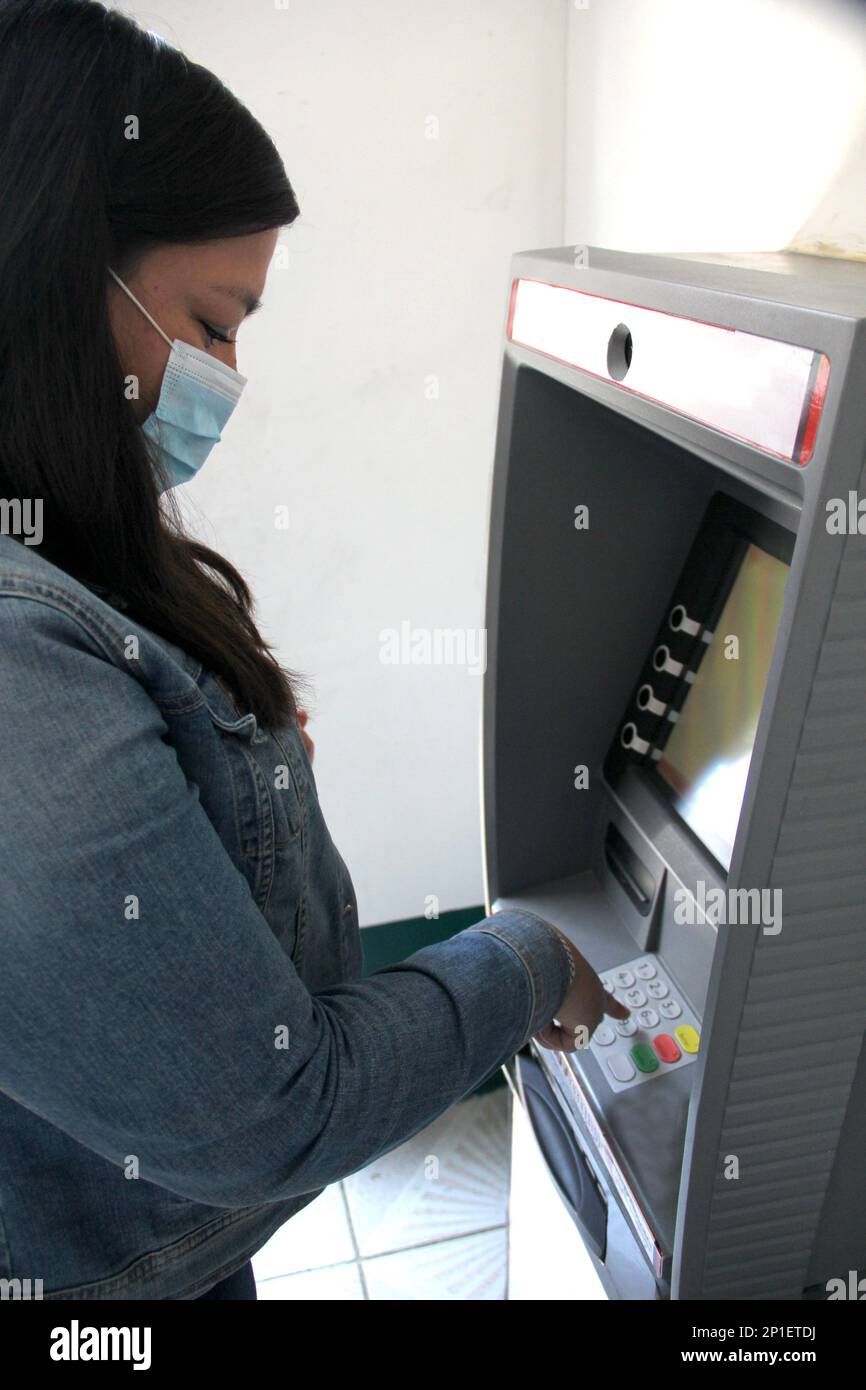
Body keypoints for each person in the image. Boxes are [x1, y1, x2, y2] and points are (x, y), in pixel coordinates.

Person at [0, 0, 628, 1301]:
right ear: (54, 281)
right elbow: (261, 1109)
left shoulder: (66, 552)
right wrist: (520, 959)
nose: (229, 375)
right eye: (215, 323)